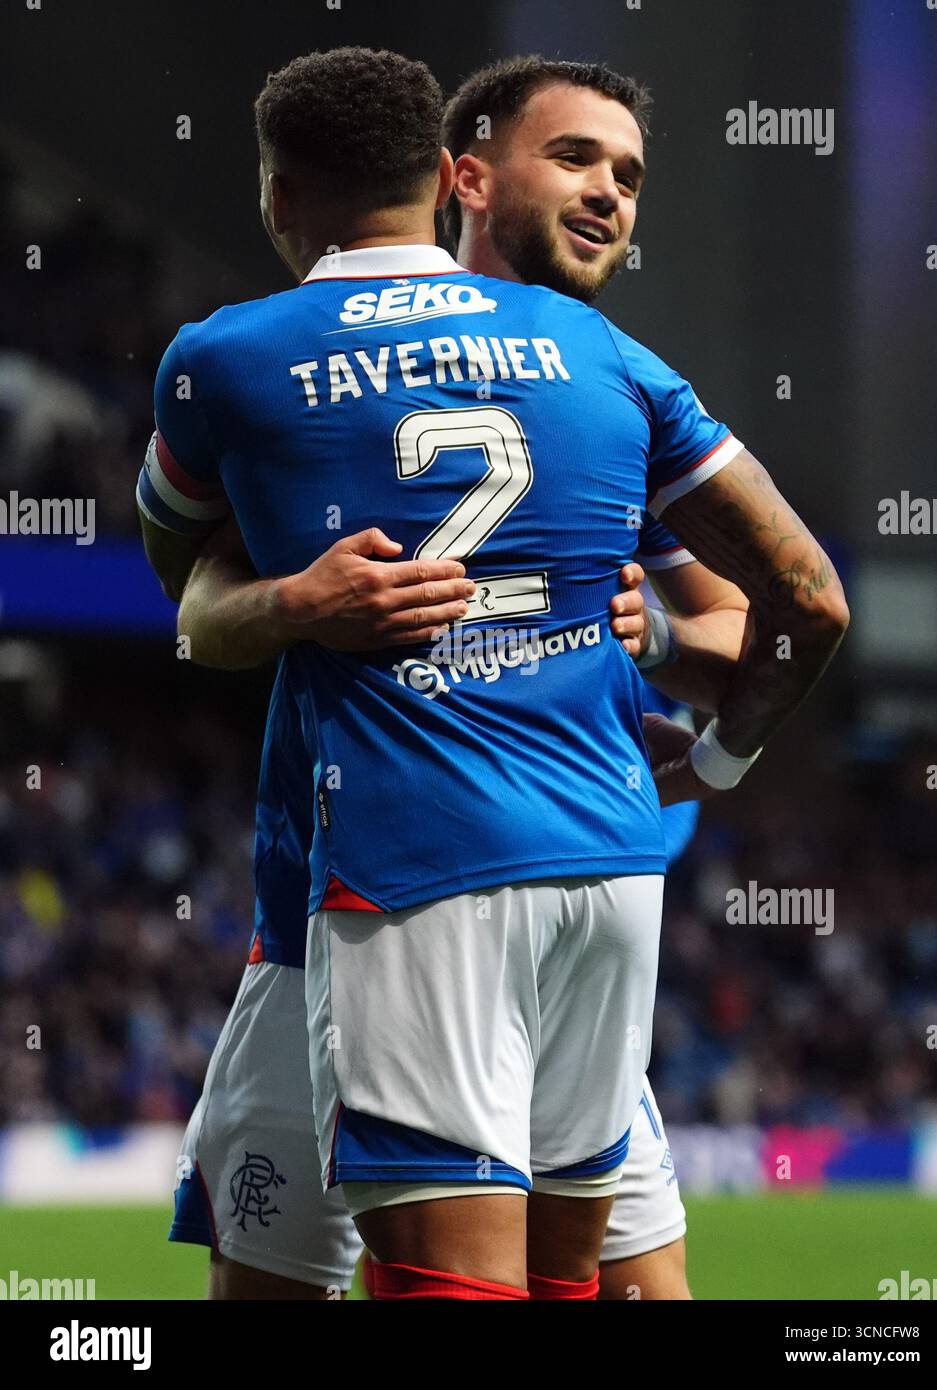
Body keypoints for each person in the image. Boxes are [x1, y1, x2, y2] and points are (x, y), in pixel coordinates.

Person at [139, 47, 848, 1299]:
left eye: (629, 175)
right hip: (361, 904)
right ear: (459, 176)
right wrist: (297, 605)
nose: (610, 196)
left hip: (439, 888)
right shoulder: (585, 374)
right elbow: (204, 607)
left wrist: (664, 644)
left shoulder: (586, 374)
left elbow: (746, 623)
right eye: (574, 158)